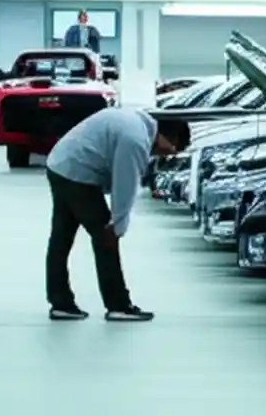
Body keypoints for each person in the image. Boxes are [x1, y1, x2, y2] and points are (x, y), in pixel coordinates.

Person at [44, 108, 190, 322]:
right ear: (170, 138)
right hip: (78, 172)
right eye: (172, 150)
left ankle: (60, 303)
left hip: (60, 163)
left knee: (61, 237)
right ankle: (118, 305)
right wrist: (118, 224)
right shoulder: (136, 140)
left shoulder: (137, 123)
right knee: (106, 238)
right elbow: (125, 184)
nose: (166, 155)